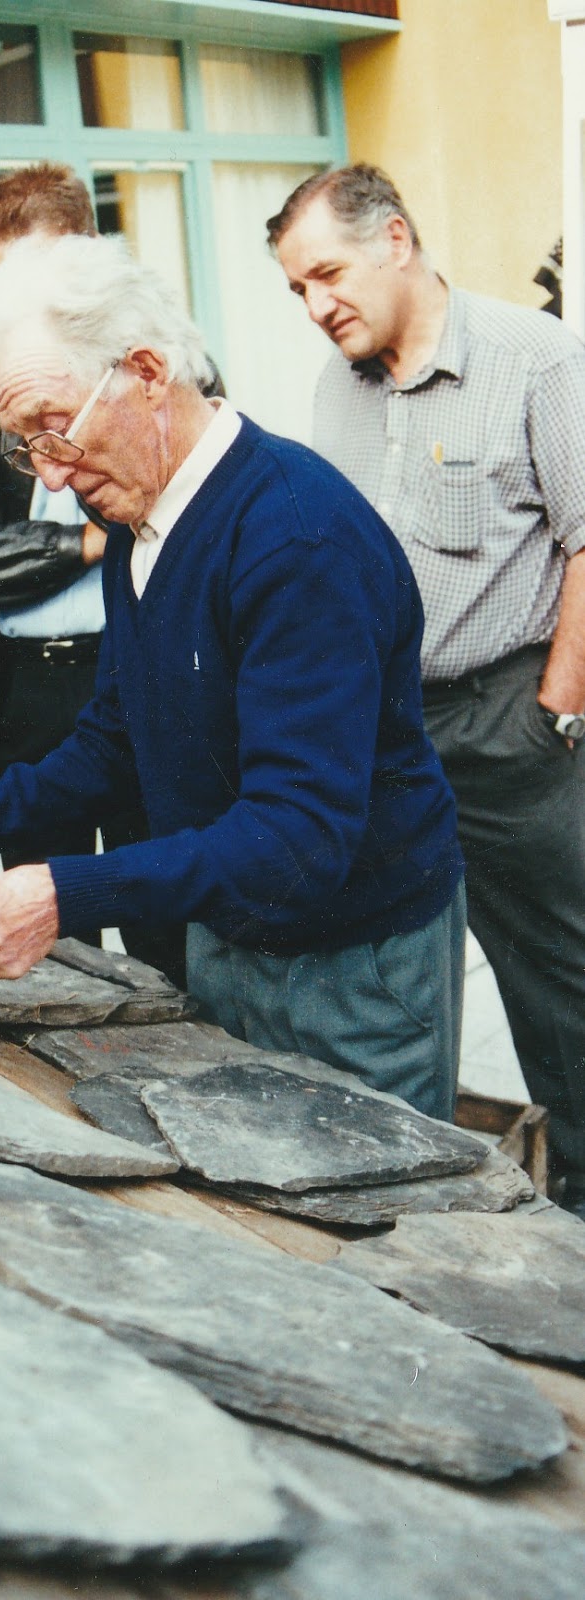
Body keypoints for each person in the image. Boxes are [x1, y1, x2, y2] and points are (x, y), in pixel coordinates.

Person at [0, 232, 466, 1123]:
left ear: (144, 370)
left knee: (376, 1228)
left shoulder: (295, 538)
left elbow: (299, 838)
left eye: (54, 431)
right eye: (25, 447)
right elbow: (115, 740)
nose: (50, 477)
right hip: (231, 929)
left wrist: (62, 895)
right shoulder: (139, 518)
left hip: (351, 959)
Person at [268, 163, 585, 1214]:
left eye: (327, 274)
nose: (317, 306)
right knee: (394, 967)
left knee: (560, 981)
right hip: (389, 728)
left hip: (512, 724)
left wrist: (556, 711)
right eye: (298, 290)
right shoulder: (334, 386)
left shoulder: (535, 361)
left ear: (396, 240)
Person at [0, 162, 190, 980]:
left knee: (162, 915)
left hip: (140, 666)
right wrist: (82, 548)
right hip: (26, 683)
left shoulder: (155, 365)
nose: (9, 297)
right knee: (46, 932)